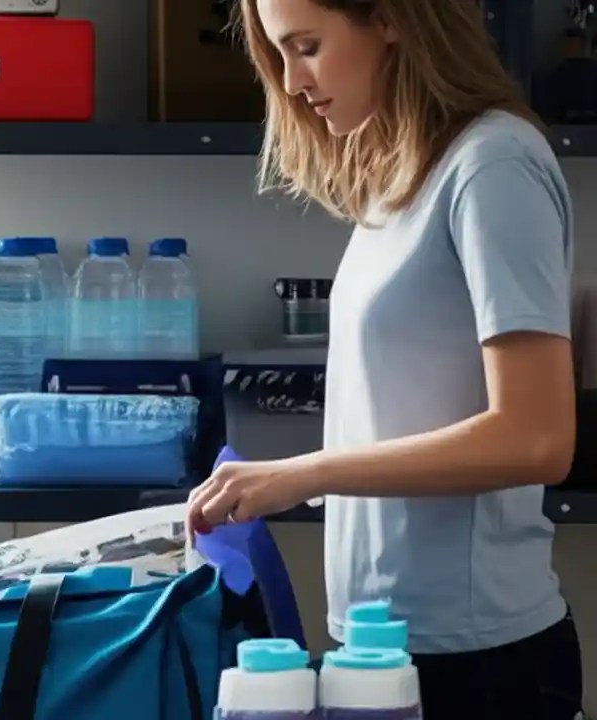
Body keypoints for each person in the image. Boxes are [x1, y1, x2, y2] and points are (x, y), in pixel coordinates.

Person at [186, 1, 583, 717]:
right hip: (382, 645)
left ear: (391, 18)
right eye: (279, 55)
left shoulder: (492, 167)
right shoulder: (400, 177)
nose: (291, 81)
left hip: (477, 661)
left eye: (307, 46)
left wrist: (301, 475)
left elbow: (537, 438)